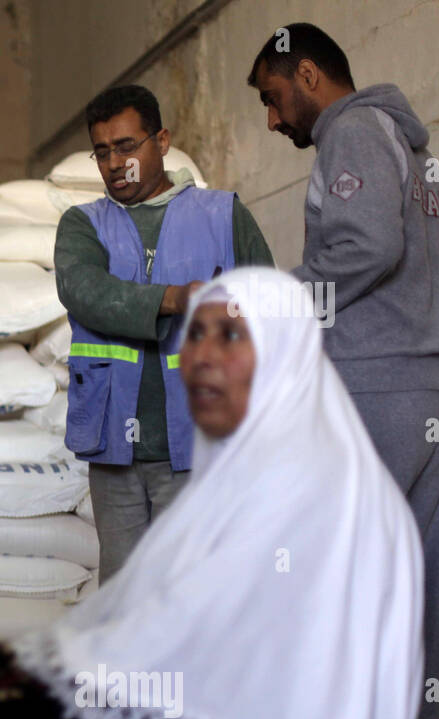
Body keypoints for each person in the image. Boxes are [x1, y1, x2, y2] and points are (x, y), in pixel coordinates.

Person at [0, 268, 423, 719]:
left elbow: (177, 630)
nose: (202, 356)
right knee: (13, 717)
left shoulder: (305, 480)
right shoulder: (266, 468)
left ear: (285, 354)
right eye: (195, 334)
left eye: (231, 336)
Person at [248, 23, 439, 719]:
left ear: (309, 75)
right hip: (433, 387)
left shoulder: (352, 130)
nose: (273, 119)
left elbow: (368, 245)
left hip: (377, 385)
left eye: (273, 97)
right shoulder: (407, 141)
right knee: (415, 577)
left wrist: (275, 299)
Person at [55, 85, 274, 582]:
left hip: (200, 447)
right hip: (116, 450)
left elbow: (270, 315)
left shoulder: (223, 216)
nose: (115, 163)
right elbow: (85, 291)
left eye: (126, 146)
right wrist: (175, 298)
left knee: (195, 595)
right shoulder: (83, 225)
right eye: (102, 152)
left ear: (162, 142)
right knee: (123, 597)